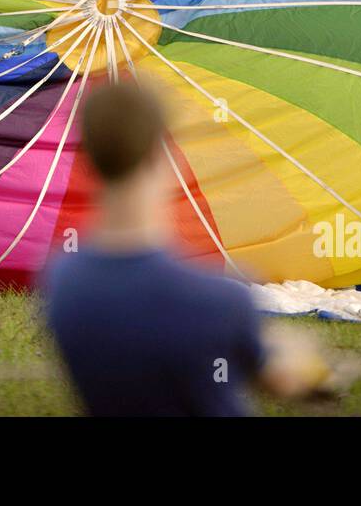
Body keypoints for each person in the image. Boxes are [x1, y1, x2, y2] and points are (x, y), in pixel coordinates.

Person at [42, 83, 335, 416]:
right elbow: (272, 376)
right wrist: (300, 366)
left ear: (87, 160)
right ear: (161, 153)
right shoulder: (222, 299)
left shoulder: (61, 280)